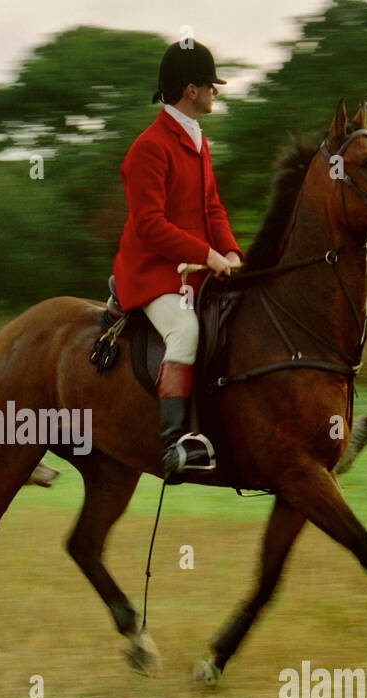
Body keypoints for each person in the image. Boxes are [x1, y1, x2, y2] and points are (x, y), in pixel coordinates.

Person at [112, 40, 243, 483]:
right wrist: (205, 254)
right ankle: (173, 446)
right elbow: (149, 225)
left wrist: (231, 254)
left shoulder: (198, 141)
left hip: (196, 270)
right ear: (191, 90)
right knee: (185, 330)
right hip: (152, 274)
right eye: (211, 86)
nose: (215, 93)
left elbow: (213, 211)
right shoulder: (149, 148)